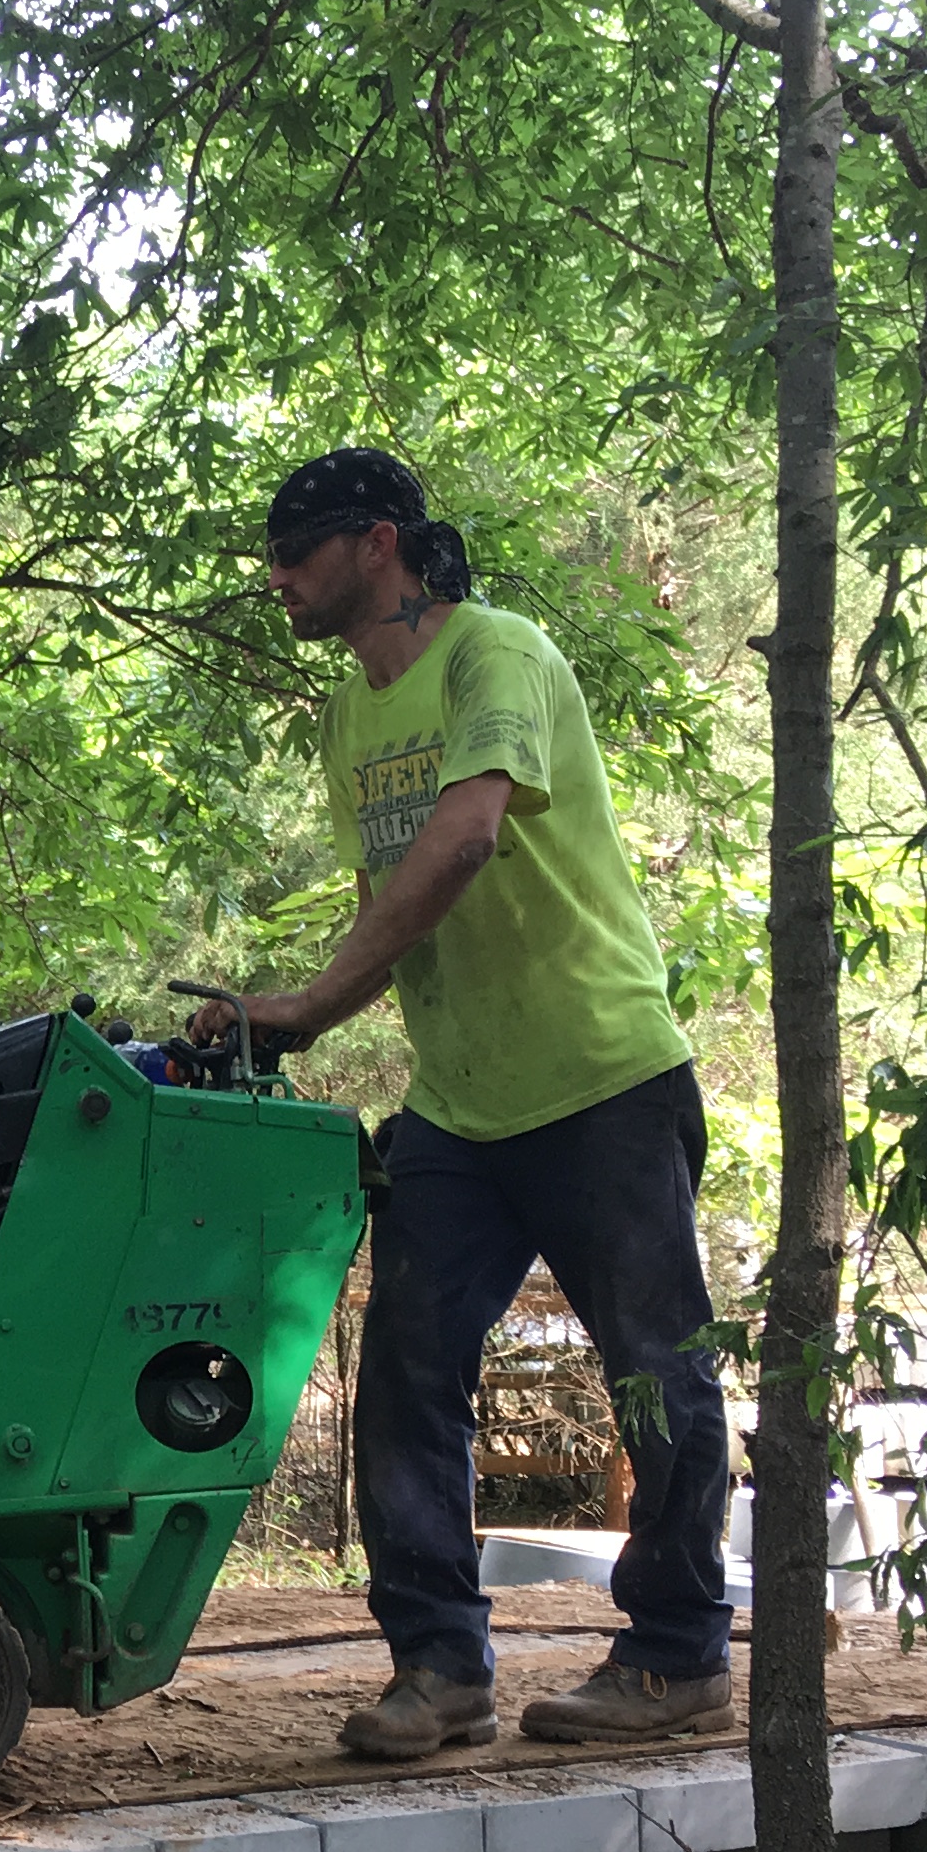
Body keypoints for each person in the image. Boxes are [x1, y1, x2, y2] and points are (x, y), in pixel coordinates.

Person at [195, 448, 733, 1757]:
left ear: (378, 543)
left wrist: (311, 1002)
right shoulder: (349, 715)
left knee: (655, 1376)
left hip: (602, 1078)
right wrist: (287, 1012)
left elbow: (469, 836)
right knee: (405, 1373)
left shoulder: (498, 654)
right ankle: (441, 1669)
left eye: (297, 550)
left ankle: (678, 1656)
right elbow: (400, 902)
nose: (277, 577)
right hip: (461, 1107)